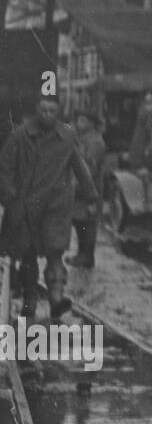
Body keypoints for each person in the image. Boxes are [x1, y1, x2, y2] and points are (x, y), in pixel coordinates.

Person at [0, 95, 100, 318]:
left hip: (55, 208)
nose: (47, 115)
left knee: (55, 254)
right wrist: (10, 198)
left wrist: (91, 195)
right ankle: (29, 300)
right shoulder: (20, 136)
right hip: (26, 208)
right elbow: (4, 168)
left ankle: (56, 298)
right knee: (28, 255)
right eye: (43, 110)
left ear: (58, 113)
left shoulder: (66, 137)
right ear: (37, 109)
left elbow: (79, 167)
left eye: (52, 111)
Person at [70, 109, 107, 268]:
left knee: (88, 223)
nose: (79, 123)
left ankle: (87, 257)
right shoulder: (80, 139)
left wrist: (79, 185)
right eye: (78, 120)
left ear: (92, 123)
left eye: (83, 121)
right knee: (79, 222)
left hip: (89, 189)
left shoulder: (96, 142)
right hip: (78, 188)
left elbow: (90, 169)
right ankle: (81, 254)